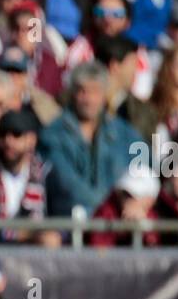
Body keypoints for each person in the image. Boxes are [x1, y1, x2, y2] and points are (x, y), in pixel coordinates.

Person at [38, 62, 142, 214]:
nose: (89, 99)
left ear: (104, 95)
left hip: (117, 224)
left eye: (95, 91)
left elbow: (147, 168)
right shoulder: (53, 134)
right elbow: (66, 182)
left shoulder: (123, 133)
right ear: (73, 93)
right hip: (71, 222)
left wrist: (137, 199)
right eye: (82, 91)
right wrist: (107, 209)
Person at [0, 109, 64, 245]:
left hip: (35, 249)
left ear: (31, 140)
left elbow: (62, 214)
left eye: (16, 134)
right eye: (3, 134)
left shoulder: (46, 172)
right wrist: (22, 234)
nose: (8, 141)